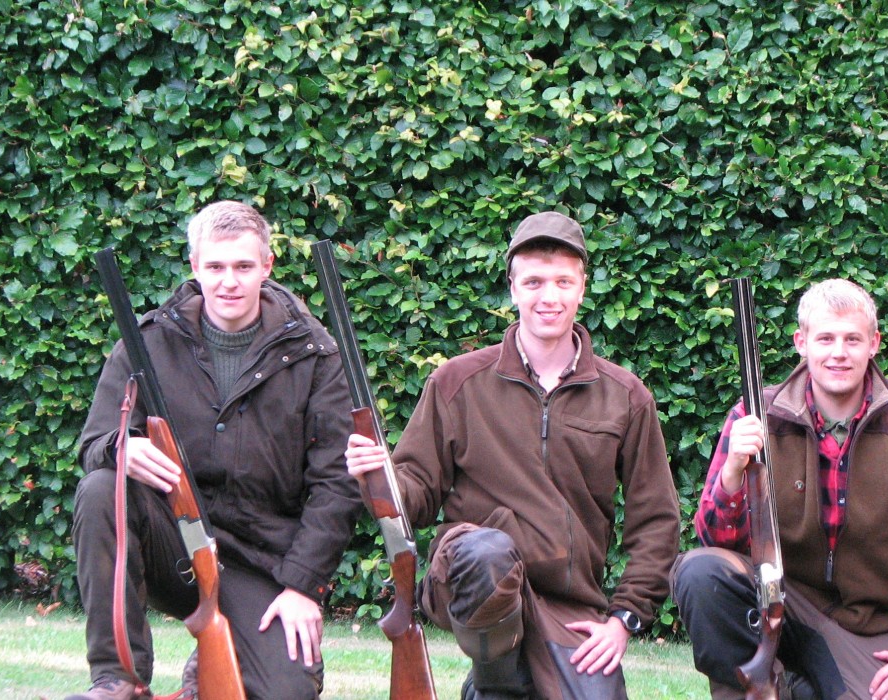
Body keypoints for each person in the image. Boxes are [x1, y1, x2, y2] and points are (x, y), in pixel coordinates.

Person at [344, 210, 680, 699]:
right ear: (513, 287)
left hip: (570, 603)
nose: (549, 296)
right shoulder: (456, 382)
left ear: (583, 288)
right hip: (472, 575)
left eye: (564, 281)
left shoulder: (626, 396)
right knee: (488, 552)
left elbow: (657, 522)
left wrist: (624, 619)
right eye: (535, 281)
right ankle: (495, 682)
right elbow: (414, 495)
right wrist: (379, 476)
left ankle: (491, 685)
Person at [70, 200, 363, 699]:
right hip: (175, 542)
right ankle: (117, 679)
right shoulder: (148, 343)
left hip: (261, 562)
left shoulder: (315, 353)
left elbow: (337, 480)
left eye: (244, 266)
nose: (229, 281)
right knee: (103, 488)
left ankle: (201, 678)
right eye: (216, 267)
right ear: (194, 267)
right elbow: (94, 443)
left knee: (286, 693)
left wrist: (301, 586)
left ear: (267, 267)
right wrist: (122, 449)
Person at [673, 278, 888, 700]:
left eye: (852, 339)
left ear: (874, 344)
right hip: (774, 601)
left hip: (867, 624)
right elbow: (714, 542)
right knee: (698, 572)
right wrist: (731, 475)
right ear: (801, 342)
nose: (838, 352)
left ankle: (802, 688)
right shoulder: (755, 414)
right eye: (826, 338)